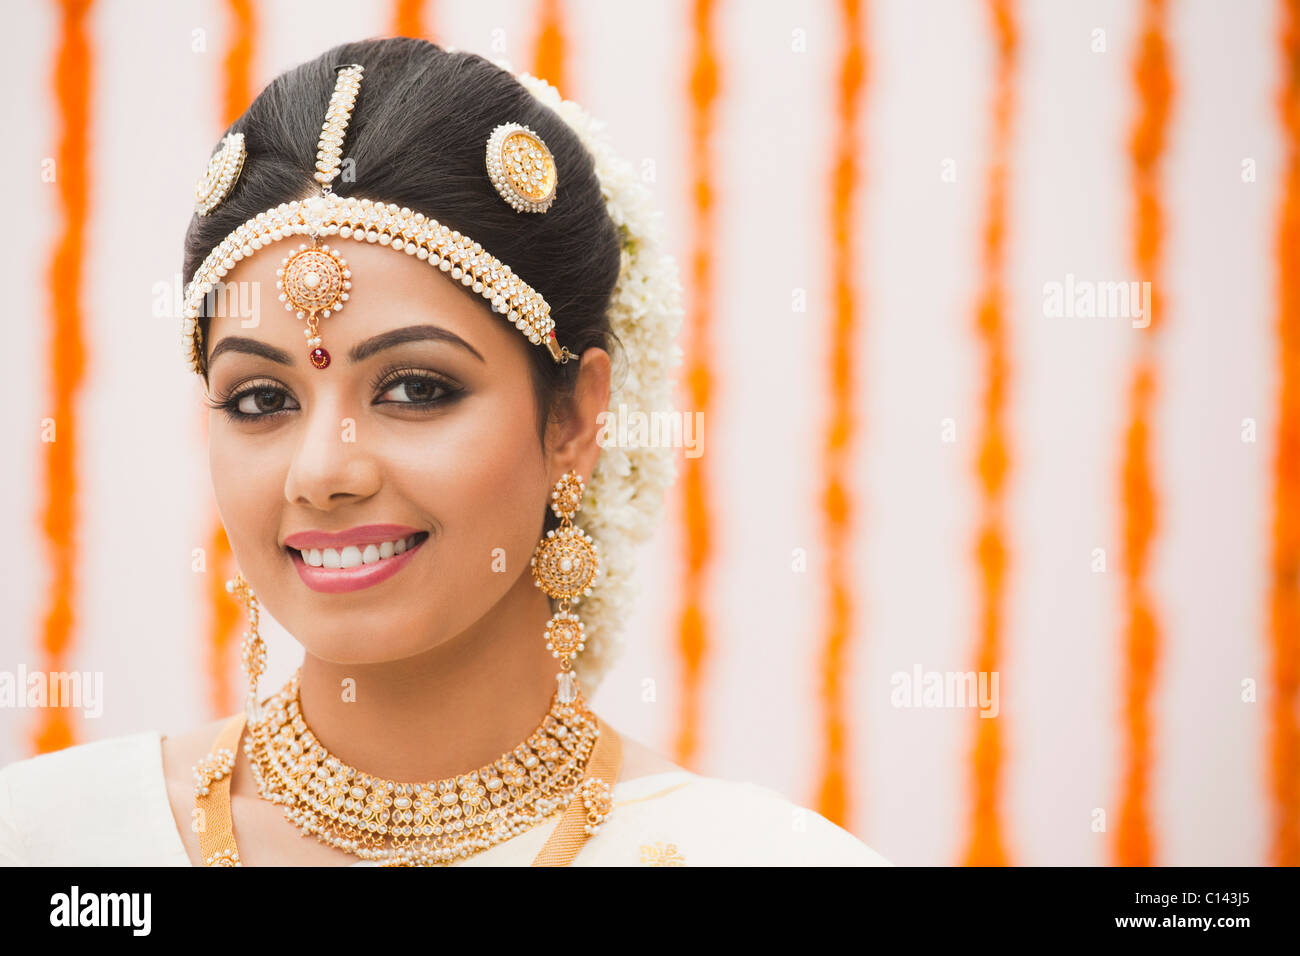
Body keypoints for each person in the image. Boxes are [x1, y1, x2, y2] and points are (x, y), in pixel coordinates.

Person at [0, 37, 890, 867]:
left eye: (416, 388)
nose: (324, 472)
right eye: (262, 399)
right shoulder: (57, 838)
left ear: (573, 419)